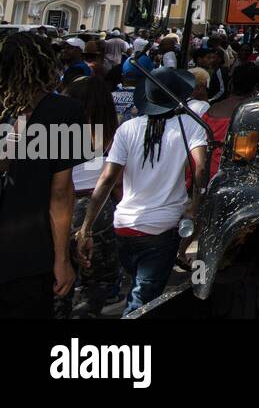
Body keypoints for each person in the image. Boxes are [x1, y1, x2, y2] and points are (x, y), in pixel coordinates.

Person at [77, 68, 208, 316]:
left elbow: (106, 179)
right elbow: (201, 167)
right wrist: (194, 206)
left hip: (124, 225)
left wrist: (86, 228)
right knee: (142, 300)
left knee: (139, 288)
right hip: (162, 228)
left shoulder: (129, 128)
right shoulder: (190, 126)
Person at [0, 32, 83, 318]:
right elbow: (60, 193)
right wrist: (62, 259)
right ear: (48, 63)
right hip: (30, 254)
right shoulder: (65, 111)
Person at [54, 75, 122, 319]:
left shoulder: (57, 133)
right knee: (99, 280)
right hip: (99, 210)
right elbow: (117, 183)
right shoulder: (113, 133)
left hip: (62, 209)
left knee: (61, 279)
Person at [200, 62, 259, 178]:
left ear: (231, 83)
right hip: (229, 175)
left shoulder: (212, 109)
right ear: (255, 86)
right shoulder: (251, 114)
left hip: (206, 172)